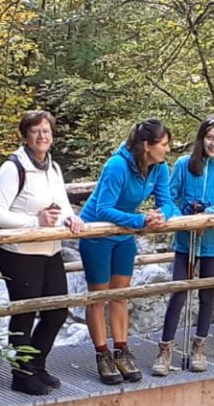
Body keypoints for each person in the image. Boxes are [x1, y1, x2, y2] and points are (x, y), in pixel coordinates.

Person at [0, 111, 85, 396]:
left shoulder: (53, 168)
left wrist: (70, 218)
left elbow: (61, 203)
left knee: (56, 310)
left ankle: (36, 365)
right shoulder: (12, 168)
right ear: (25, 135)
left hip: (50, 250)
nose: (42, 136)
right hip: (19, 253)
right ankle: (22, 374)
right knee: (24, 314)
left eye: (46, 130)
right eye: (36, 131)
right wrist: (34, 223)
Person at [78, 118, 176, 384]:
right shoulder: (116, 166)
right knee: (98, 296)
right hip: (97, 234)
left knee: (120, 294)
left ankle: (122, 351)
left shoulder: (159, 168)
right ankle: (102, 354)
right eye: (164, 144)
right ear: (147, 145)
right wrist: (141, 221)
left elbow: (168, 203)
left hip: (124, 235)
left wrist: (160, 217)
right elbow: (102, 209)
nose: (167, 149)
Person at [156, 117, 214, 375]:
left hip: (212, 242)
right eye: (210, 138)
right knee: (178, 292)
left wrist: (209, 213)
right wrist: (184, 217)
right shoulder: (185, 165)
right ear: (202, 138)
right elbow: (169, 198)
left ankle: (199, 347)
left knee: (207, 294)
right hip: (186, 241)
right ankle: (165, 350)